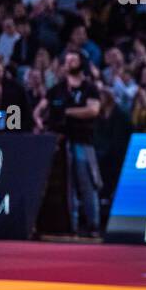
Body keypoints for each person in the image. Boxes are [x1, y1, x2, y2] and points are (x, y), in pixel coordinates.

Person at [39, 51, 103, 237]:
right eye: (66, 60)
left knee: (88, 184)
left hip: (83, 141)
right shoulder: (56, 89)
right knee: (67, 187)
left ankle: (93, 226)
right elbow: (40, 110)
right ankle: (71, 226)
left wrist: (66, 112)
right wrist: (40, 120)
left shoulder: (89, 88)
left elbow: (93, 110)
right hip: (60, 144)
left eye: (73, 60)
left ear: (81, 63)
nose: (69, 63)